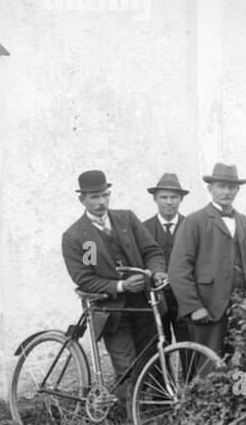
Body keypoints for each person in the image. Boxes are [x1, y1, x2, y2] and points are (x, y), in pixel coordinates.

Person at [61, 169, 167, 400]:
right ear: (82, 200)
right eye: (94, 197)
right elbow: (86, 279)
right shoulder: (78, 236)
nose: (101, 202)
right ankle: (132, 421)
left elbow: (152, 251)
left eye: (104, 195)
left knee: (151, 358)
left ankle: (158, 410)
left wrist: (156, 272)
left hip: (143, 304)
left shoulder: (126, 219)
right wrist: (121, 286)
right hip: (112, 311)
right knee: (126, 365)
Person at [168, 162, 246, 355]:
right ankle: (209, 387)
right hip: (209, 308)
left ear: (237, 190)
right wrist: (194, 306)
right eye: (221, 186)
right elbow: (178, 270)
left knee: (240, 361)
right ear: (210, 189)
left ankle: (240, 387)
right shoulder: (194, 221)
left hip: (243, 308)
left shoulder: (245, 223)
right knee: (210, 363)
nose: (226, 191)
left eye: (231, 187)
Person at [141, 172, 188, 343]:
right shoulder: (143, 228)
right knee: (160, 344)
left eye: (174, 197)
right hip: (156, 299)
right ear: (155, 199)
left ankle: (189, 372)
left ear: (181, 199)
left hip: (184, 299)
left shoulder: (191, 226)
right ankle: (165, 371)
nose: (169, 202)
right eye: (164, 197)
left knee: (188, 345)